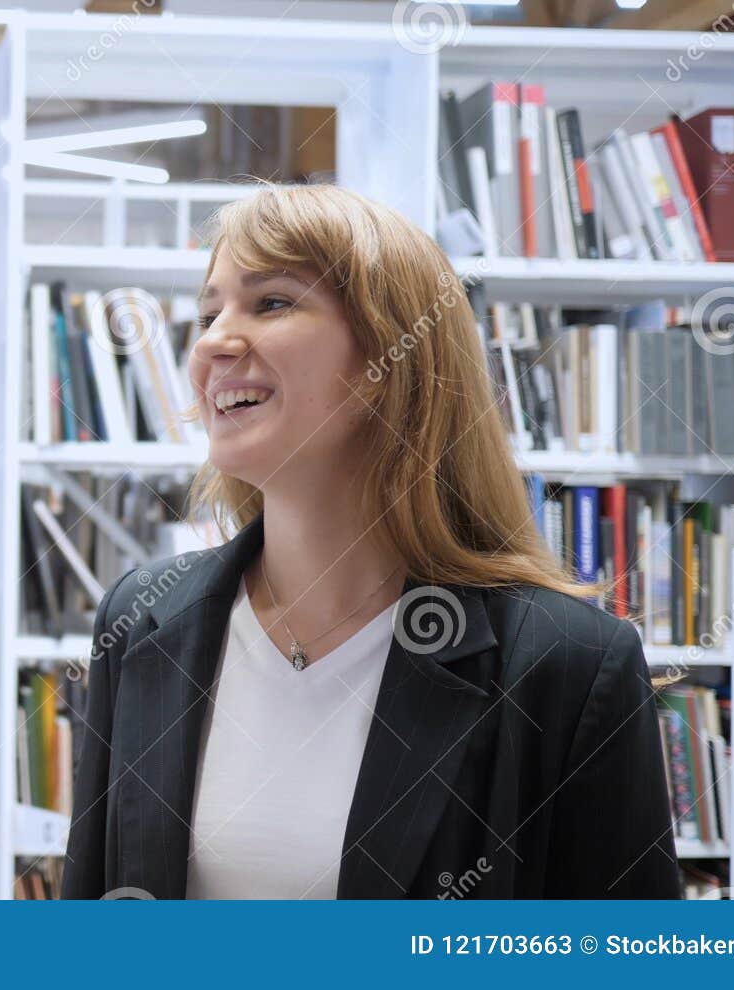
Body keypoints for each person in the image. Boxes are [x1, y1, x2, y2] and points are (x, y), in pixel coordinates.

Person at [61, 184, 680, 900]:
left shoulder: (567, 667)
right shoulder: (142, 621)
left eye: (271, 302)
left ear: (391, 361)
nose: (210, 344)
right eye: (208, 312)